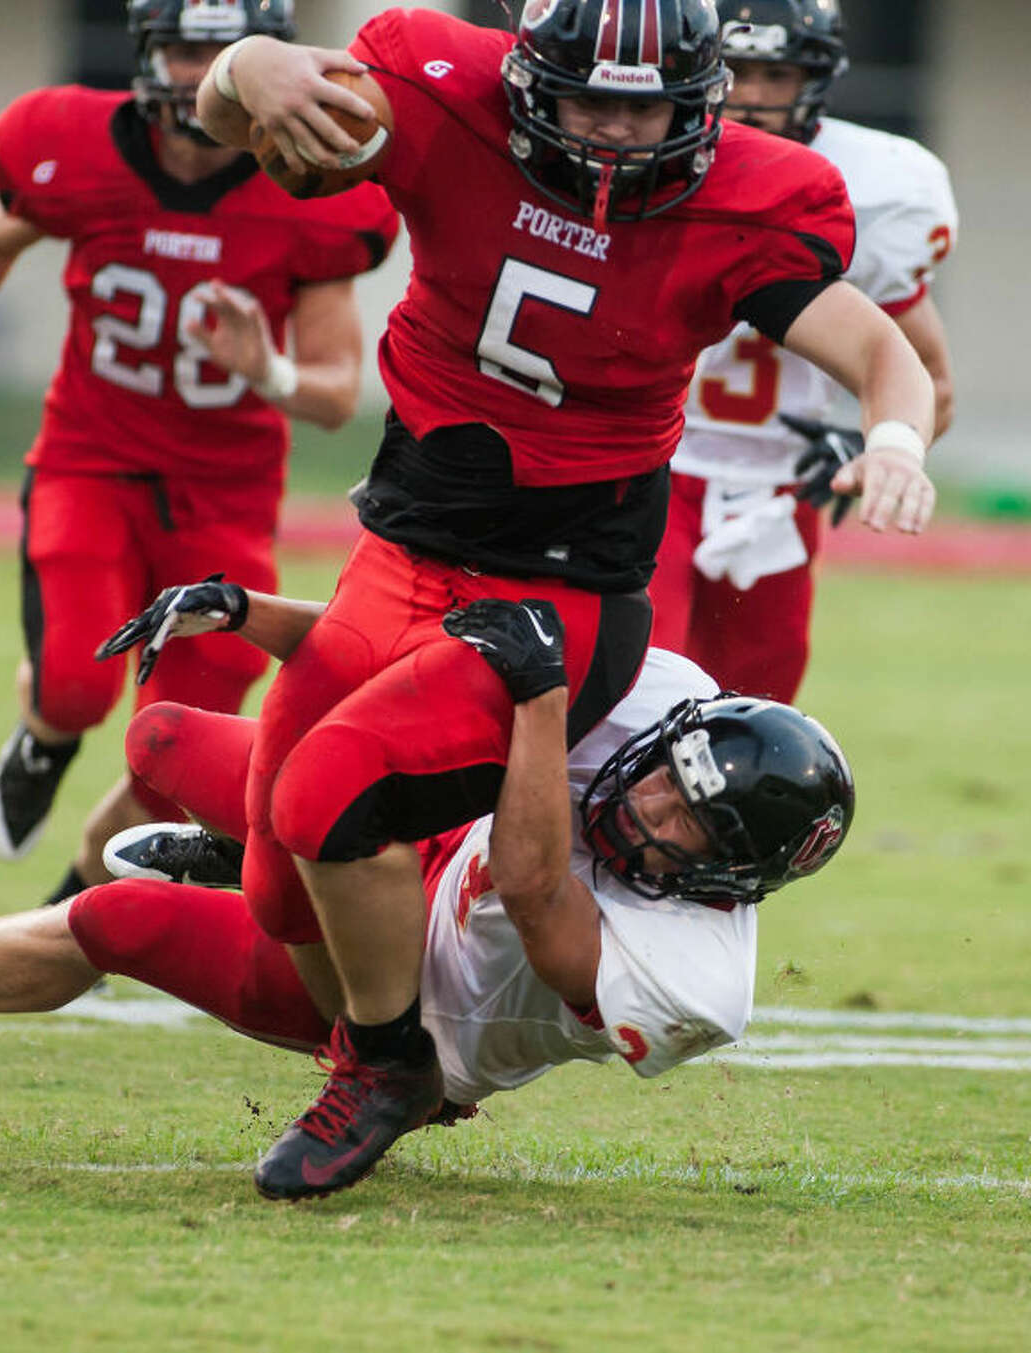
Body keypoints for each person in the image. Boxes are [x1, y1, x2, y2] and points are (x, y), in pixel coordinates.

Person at [179, 0, 931, 1196]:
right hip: (404, 545)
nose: (619, 138)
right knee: (275, 870)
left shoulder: (752, 197)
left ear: (699, 107)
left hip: (559, 589)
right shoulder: (437, 90)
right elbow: (227, 114)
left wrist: (893, 437)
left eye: (646, 110)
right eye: (592, 104)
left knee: (334, 798)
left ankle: (383, 1068)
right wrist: (245, 65)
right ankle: (386, 1042)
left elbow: (879, 348)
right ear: (528, 86)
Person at [0, 595, 855, 1202]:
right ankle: (268, 859)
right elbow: (406, 662)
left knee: (113, 921)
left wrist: (542, 698)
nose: (651, 806)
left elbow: (539, 897)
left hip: (412, 1019)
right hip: (449, 852)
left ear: (735, 881)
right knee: (162, 740)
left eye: (689, 826)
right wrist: (247, 613)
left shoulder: (695, 978)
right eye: (669, 775)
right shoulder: (658, 692)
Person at [0, 0, 398, 904]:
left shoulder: (306, 189)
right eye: (190, 48)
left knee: (178, 731)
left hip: (225, 491)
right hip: (91, 456)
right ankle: (45, 732)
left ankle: (79, 896)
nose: (205, 72)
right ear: (151, 52)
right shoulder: (73, 145)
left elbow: (337, 389)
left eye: (227, 50)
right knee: (76, 684)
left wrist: (265, 368)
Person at [649, 0, 959, 701]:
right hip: (650, 465)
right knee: (632, 693)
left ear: (816, 78)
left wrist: (876, 448)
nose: (753, 97)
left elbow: (929, 380)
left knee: (755, 715)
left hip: (780, 487)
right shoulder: (642, 151)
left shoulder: (877, 191)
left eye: (777, 73)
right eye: (737, 70)